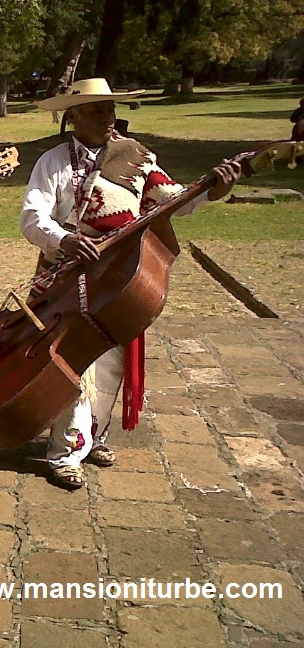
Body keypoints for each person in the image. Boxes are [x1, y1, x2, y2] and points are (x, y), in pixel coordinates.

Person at [24, 78, 243, 489]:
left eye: (110, 109)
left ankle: (94, 434)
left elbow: (175, 199)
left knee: (112, 359)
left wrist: (214, 189)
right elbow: (33, 217)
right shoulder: (53, 162)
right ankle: (66, 451)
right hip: (67, 276)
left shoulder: (138, 157)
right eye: (95, 111)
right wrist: (66, 239)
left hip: (121, 277)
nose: (107, 118)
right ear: (73, 116)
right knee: (74, 361)